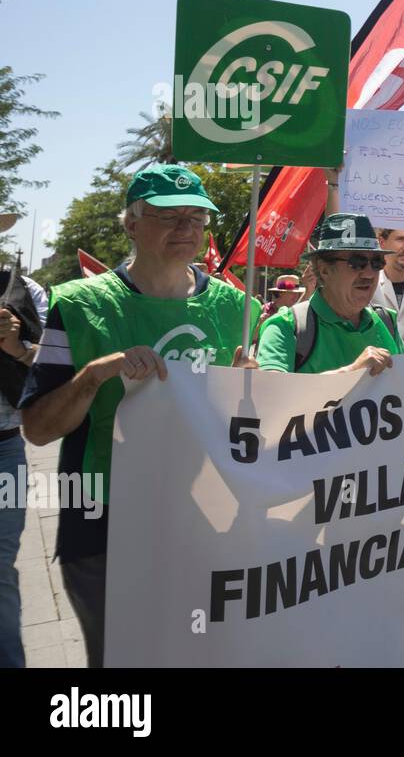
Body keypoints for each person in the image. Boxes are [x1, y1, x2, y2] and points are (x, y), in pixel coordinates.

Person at [19, 164, 254, 667]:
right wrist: (94, 376)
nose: (186, 229)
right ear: (131, 225)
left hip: (203, 520)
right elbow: (37, 429)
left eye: (196, 218)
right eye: (169, 217)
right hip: (104, 523)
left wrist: (251, 389)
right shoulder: (78, 306)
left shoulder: (236, 307)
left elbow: (248, 426)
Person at [257, 215, 404, 376]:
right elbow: (272, 395)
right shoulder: (285, 327)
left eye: (377, 263)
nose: (369, 273)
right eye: (357, 262)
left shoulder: (388, 321)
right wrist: (352, 373)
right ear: (324, 269)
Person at [0, 267, 46, 668]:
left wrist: (17, 346)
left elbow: (55, 366)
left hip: (6, 451)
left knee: (0, 565)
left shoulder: (24, 292)